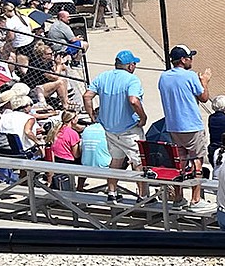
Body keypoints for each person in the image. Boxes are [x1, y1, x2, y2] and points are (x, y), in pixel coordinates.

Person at [84, 50, 148, 200]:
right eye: (134, 64)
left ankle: (112, 192)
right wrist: (143, 117)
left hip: (110, 130)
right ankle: (143, 196)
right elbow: (133, 100)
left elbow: (87, 96)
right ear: (130, 66)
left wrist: (92, 115)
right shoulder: (132, 80)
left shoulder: (103, 76)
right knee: (139, 162)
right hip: (130, 129)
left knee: (116, 161)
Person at [158, 45, 212, 208]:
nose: (191, 60)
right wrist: (204, 81)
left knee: (180, 161)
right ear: (183, 60)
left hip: (173, 127)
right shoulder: (190, 76)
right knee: (196, 160)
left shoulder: (164, 77)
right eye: (189, 58)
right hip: (191, 126)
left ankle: (178, 197)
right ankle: (196, 199)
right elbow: (204, 97)